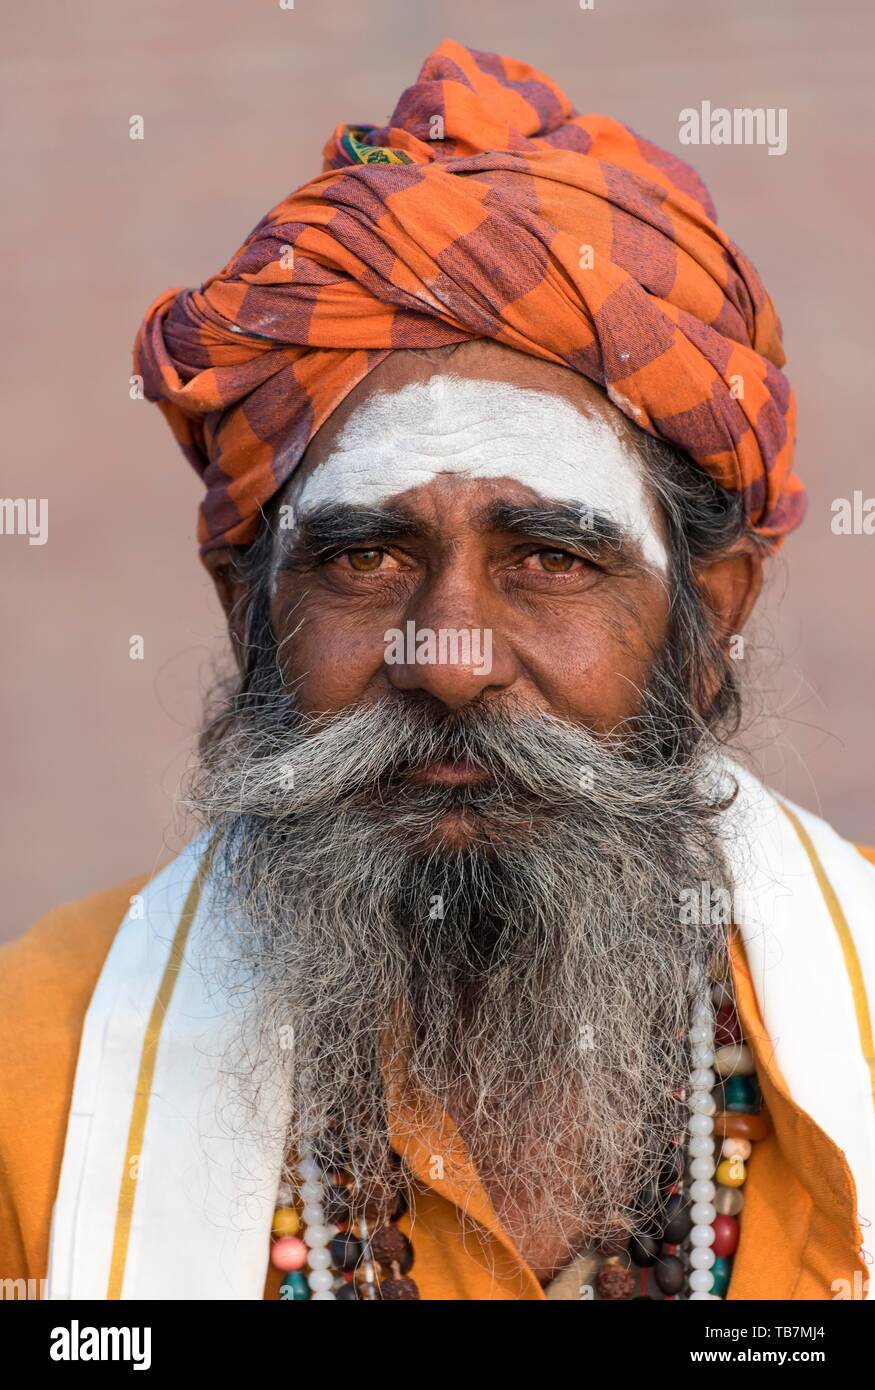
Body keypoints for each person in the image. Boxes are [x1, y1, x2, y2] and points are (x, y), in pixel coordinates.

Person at [1, 39, 872, 1303]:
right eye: (362, 557)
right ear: (249, 617)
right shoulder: (37, 1078)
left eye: (550, 558)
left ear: (704, 625)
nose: (449, 658)